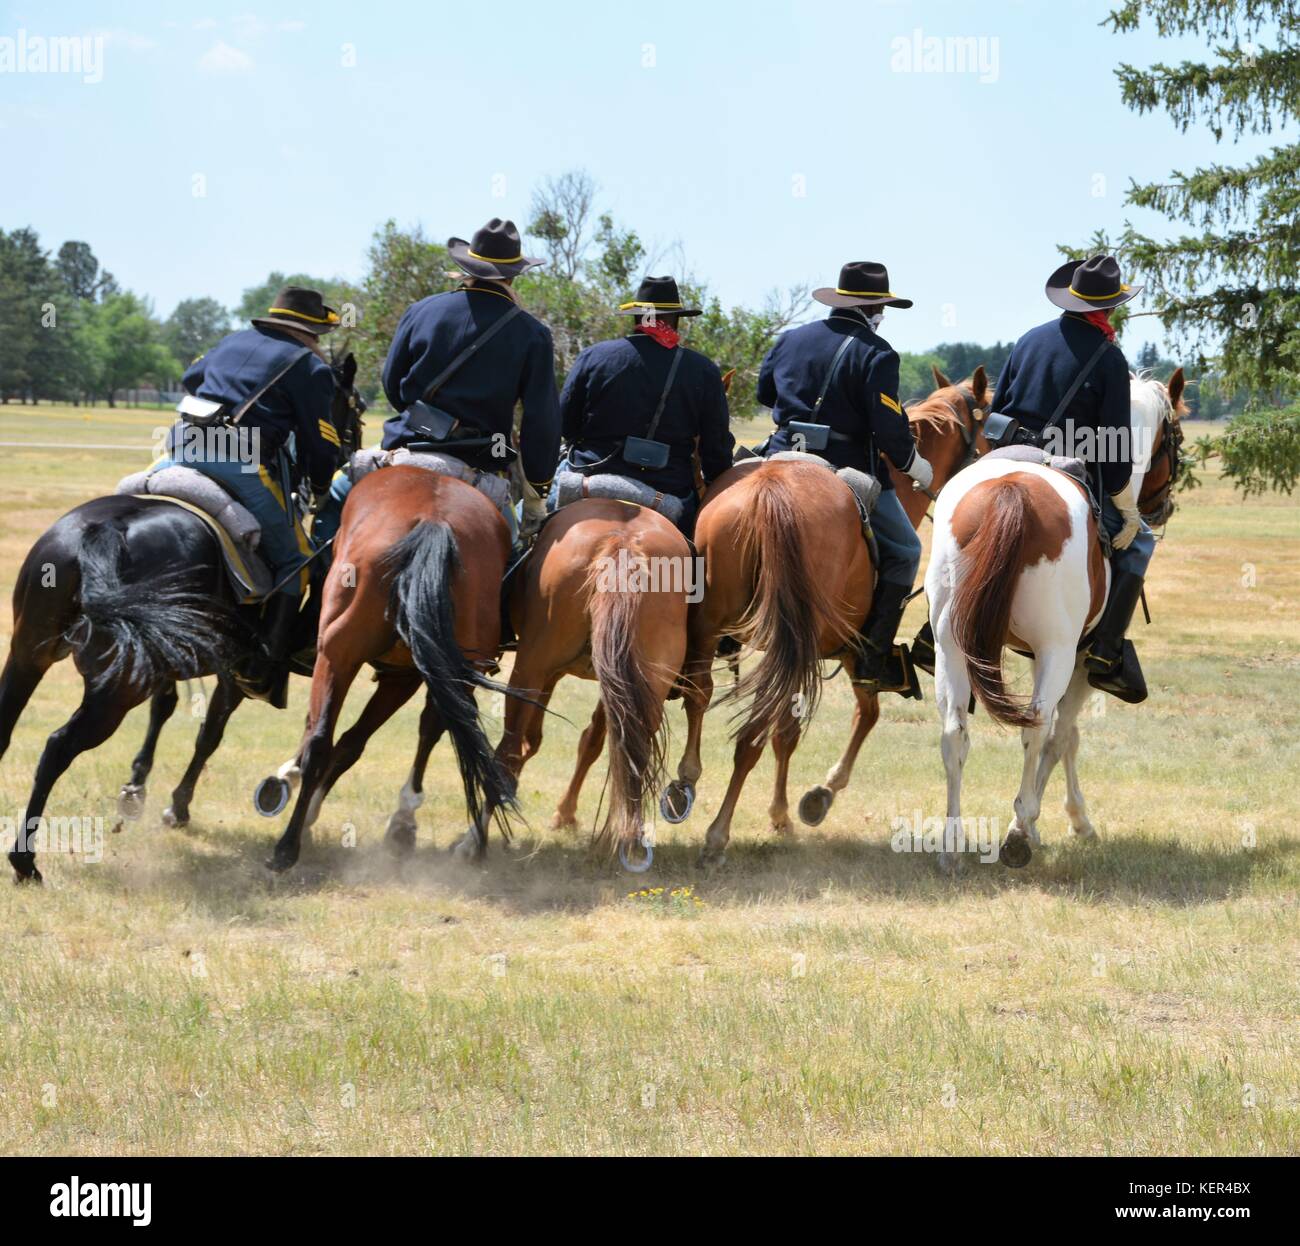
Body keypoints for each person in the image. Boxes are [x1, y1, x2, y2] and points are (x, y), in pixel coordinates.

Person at [312, 218, 559, 548]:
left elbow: (392, 384)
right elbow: (540, 421)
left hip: (410, 445)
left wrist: (428, 421)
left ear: (466, 266)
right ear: (514, 274)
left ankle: (316, 593)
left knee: (335, 501)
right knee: (511, 565)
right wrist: (537, 493)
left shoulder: (421, 310)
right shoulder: (533, 333)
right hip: (481, 461)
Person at [158, 285, 343, 704]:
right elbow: (318, 441)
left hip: (179, 448)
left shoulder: (230, 341)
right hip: (240, 461)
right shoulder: (310, 367)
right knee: (297, 563)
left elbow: (191, 379)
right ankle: (262, 668)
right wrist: (318, 486)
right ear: (311, 334)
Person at [757, 260, 932, 695]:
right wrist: (915, 465)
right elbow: (889, 429)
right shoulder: (878, 352)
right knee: (908, 552)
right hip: (847, 464)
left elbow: (765, 393)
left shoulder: (791, 338)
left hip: (781, 455)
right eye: (883, 308)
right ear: (874, 307)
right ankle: (872, 657)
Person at [991, 253, 1155, 702]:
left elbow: (995, 412)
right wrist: (1125, 505)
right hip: (1070, 464)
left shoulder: (1027, 339)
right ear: (1111, 307)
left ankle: (931, 635)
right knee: (1141, 541)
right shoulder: (1108, 357)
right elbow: (1116, 442)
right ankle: (1105, 653)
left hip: (1010, 453)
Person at [556, 275, 733, 531]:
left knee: (533, 532)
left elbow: (563, 425)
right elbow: (715, 449)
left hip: (590, 479)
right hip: (669, 491)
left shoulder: (594, 356)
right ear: (677, 320)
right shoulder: (704, 371)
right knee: (695, 564)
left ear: (637, 317)